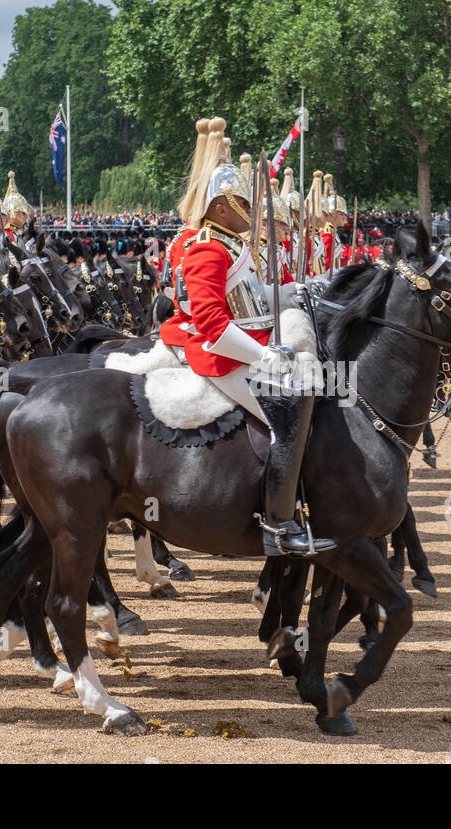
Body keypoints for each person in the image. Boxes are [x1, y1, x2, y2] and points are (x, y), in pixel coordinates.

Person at [158, 144, 333, 557]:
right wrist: (263, 358)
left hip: (253, 342)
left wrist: (291, 290)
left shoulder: (232, 245)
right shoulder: (206, 248)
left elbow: (254, 297)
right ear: (220, 208)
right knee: (287, 415)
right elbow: (212, 325)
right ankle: (278, 526)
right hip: (222, 355)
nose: (252, 213)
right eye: (244, 205)